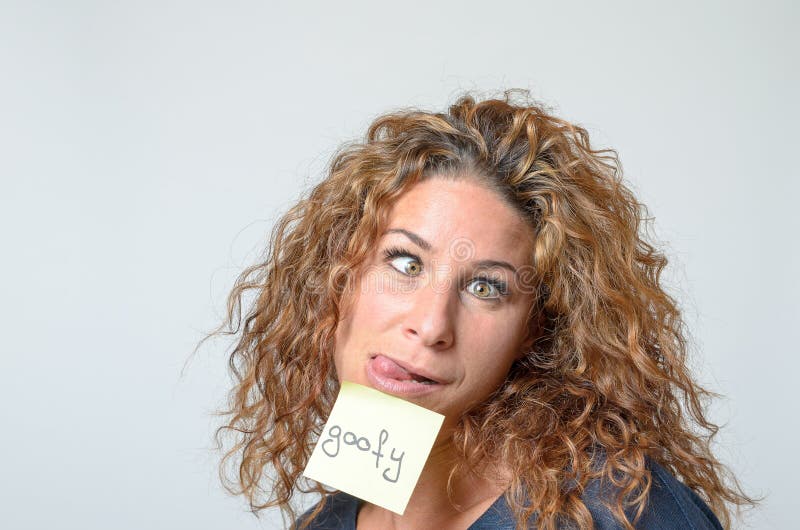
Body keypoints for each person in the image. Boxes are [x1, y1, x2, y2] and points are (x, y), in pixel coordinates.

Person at [210, 92, 757, 529]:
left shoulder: (622, 513)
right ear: (337, 273)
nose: (430, 325)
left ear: (534, 331)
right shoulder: (332, 519)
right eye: (404, 263)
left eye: (487, 287)